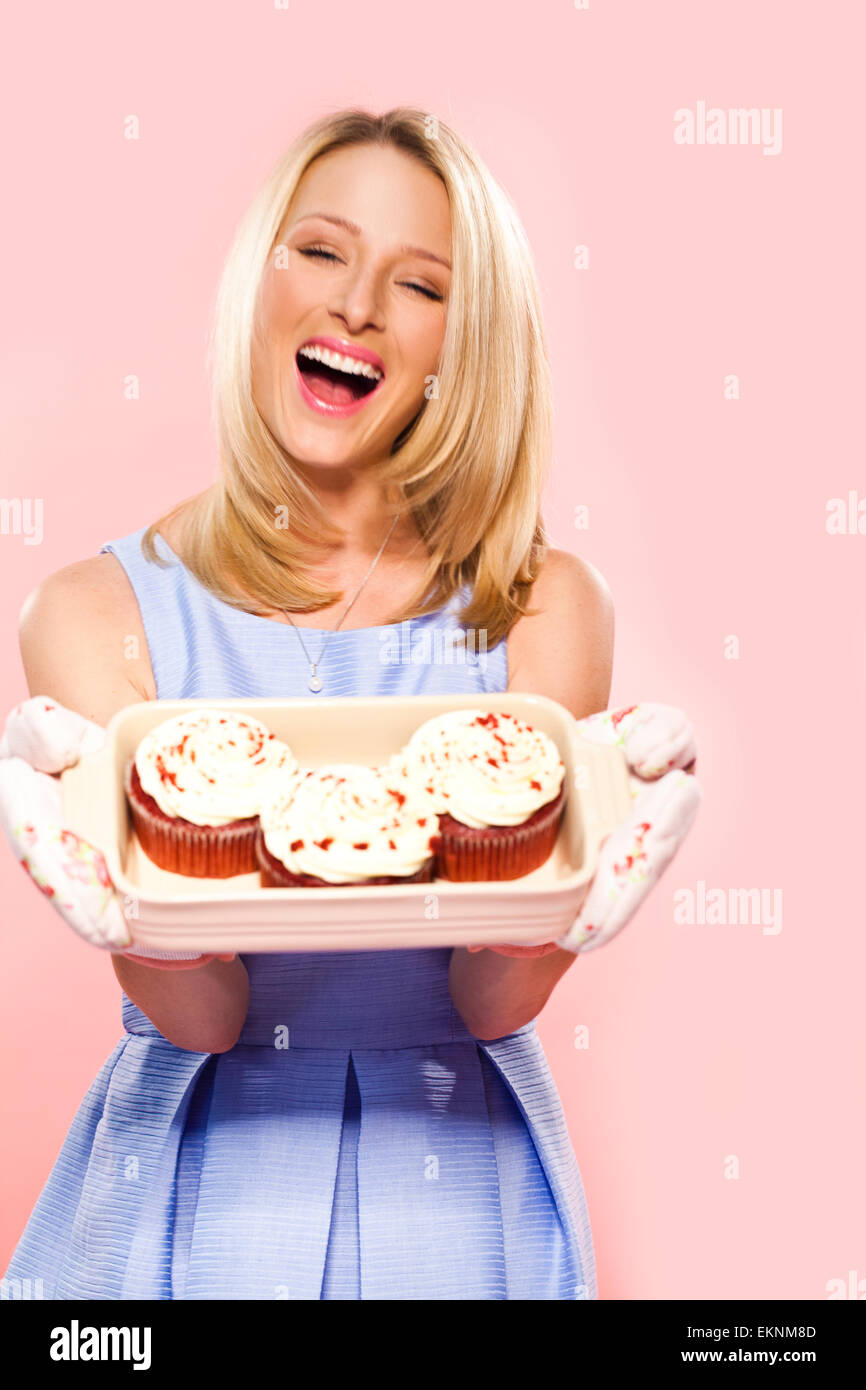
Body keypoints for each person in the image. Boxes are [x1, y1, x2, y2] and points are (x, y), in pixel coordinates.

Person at [0, 108, 698, 1300]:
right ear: (260, 282)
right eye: (319, 252)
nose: (355, 305)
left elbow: (489, 996)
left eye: (417, 284)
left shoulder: (542, 606)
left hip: (454, 1182)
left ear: (460, 346)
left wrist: (571, 896)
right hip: (190, 1191)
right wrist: (117, 910)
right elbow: (209, 1012)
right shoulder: (91, 610)